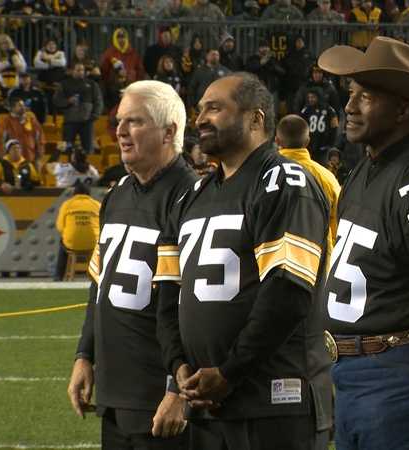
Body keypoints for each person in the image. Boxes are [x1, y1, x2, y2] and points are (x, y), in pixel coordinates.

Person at [155, 73, 333, 449]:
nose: (201, 118)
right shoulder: (194, 195)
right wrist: (179, 369)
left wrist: (229, 371)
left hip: (273, 404)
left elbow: (287, 293)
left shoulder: (284, 182)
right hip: (206, 404)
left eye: (215, 108)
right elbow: (169, 295)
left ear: (256, 119)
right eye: (200, 109)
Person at [317, 37, 409, 450]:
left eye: (366, 96)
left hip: (399, 377)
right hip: (356, 373)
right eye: (351, 94)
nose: (350, 106)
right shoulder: (370, 167)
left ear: (403, 109)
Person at [66, 80, 198, 447]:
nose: (120, 131)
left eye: (135, 122)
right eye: (120, 121)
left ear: (169, 131)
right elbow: (100, 284)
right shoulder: (117, 194)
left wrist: (179, 390)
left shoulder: (194, 199)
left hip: (159, 398)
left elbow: (198, 309)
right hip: (114, 396)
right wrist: (85, 354)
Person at [275, 113, 341, 261]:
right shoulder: (327, 178)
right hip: (317, 263)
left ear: (277, 140)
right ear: (307, 141)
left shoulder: (263, 174)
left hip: (272, 262)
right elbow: (339, 224)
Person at [53, 180, 100, 281]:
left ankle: (58, 277)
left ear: (74, 193)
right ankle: (99, 275)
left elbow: (60, 227)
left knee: (62, 244)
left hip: (71, 244)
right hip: (93, 244)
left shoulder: (67, 204)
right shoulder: (97, 204)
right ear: (89, 193)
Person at [53, 62, 104, 154]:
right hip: (70, 122)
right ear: (72, 71)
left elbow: (98, 101)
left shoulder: (92, 84)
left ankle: (87, 167)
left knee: (88, 150)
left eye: (82, 70)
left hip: (87, 122)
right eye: (78, 70)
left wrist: (95, 115)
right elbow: (56, 100)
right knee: (67, 149)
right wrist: (68, 101)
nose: (80, 72)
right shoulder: (64, 84)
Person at [0, 96, 44, 162]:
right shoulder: (5, 122)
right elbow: (1, 142)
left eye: (23, 105)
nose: (23, 108)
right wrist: (4, 158)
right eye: (20, 106)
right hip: (13, 161)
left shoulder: (31, 119)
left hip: (31, 158)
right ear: (12, 108)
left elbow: (39, 136)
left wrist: (40, 152)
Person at [299, 88, 338, 161]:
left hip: (324, 144)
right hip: (309, 145)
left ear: (318, 97)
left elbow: (334, 126)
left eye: (313, 97)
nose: (311, 99)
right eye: (309, 97)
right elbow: (300, 126)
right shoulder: (305, 110)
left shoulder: (328, 109)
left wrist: (331, 142)